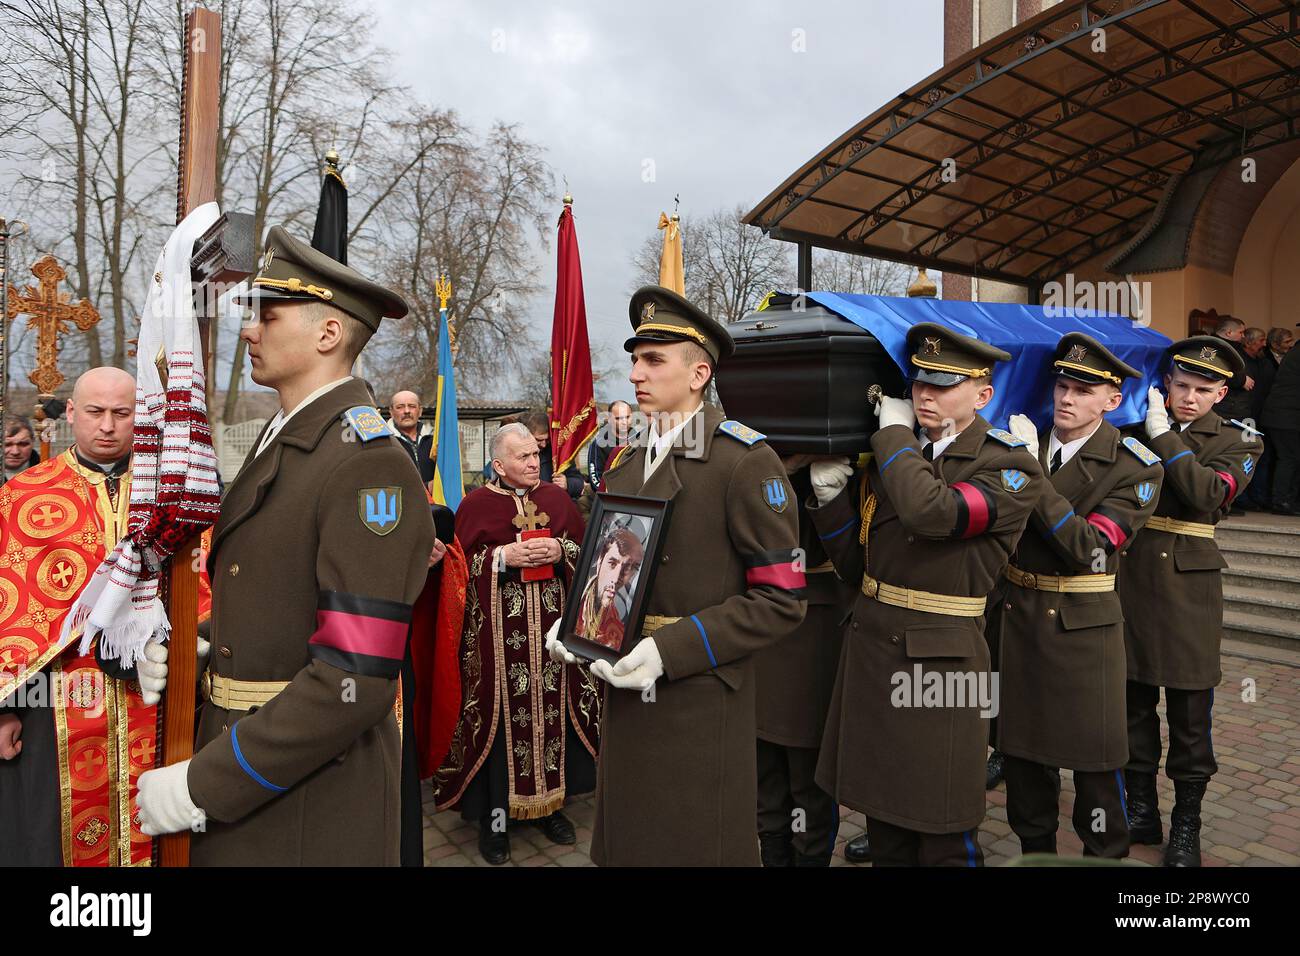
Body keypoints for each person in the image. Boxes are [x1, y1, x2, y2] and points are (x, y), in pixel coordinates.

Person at [131, 224, 435, 865]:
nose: (248, 329)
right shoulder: (289, 437)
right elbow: (272, 586)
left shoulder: (366, 462)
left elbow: (355, 678)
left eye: (268, 315)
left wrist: (203, 785)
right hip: (257, 772)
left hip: (305, 803)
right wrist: (203, 641)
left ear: (328, 334)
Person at [548, 285, 806, 866]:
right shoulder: (628, 461)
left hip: (698, 697)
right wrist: (580, 621)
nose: (636, 373)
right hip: (624, 688)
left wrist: (671, 650)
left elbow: (783, 599)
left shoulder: (743, 461)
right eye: (635, 358)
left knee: (692, 846)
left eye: (653, 359)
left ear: (698, 373)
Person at [806, 323, 1044, 867]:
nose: (924, 395)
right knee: (884, 820)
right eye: (918, 384)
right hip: (873, 654)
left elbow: (933, 514)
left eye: (943, 384)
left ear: (984, 395)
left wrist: (889, 439)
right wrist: (831, 501)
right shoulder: (900, 459)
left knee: (942, 829)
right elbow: (857, 568)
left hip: (942, 665)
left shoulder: (1009, 466)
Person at [987, 334, 1163, 859]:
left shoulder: (1138, 467)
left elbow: (1090, 549)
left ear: (1112, 400)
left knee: (1094, 771)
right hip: (1017, 622)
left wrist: (1032, 475)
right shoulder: (1024, 444)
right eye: (1062, 385)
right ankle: (1036, 852)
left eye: (1083, 391)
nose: (1066, 398)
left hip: (1083, 632)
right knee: (1023, 766)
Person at [0, 367, 153, 866]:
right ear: (71, 414)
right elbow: (9, 608)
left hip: (153, 695)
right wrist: (6, 708)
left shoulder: (166, 496)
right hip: (52, 702)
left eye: (121, 414)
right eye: (94, 412)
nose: (107, 426)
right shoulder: (25, 494)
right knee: (47, 831)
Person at [1119, 336, 1263, 866]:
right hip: (1129, 579)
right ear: (1167, 383)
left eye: (1203, 389)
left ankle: (1186, 825)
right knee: (1132, 705)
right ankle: (1140, 810)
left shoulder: (1241, 441)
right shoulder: (1133, 430)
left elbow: (1207, 494)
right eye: (1181, 386)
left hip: (1187, 590)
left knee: (1188, 715)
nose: (1189, 398)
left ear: (1222, 393)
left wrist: (1164, 437)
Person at [430, 422, 598, 865]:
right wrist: (502, 557)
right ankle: (496, 821)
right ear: (498, 464)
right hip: (498, 643)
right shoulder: (476, 504)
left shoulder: (557, 498)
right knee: (500, 723)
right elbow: (457, 570)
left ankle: (550, 809)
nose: (533, 463)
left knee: (554, 717)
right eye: (523, 457)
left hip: (552, 638)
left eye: (535, 455)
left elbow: (589, 551)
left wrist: (563, 552)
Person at [754, 459, 854, 867]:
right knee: (767, 783)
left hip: (815, 628)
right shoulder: (753, 456)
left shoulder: (843, 459)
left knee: (808, 782)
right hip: (762, 621)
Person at [575, 524, 644, 650]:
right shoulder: (574, 608)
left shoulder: (619, 629)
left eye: (627, 568)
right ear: (600, 560)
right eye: (612, 563)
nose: (616, 578)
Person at [1261, 341, 1300, 516]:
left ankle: (1285, 500)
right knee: (1289, 458)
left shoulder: (1294, 352)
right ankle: (1282, 501)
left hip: (1282, 415)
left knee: (1288, 458)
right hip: (1286, 417)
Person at [522, 410, 586, 501]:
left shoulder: (560, 453)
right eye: (539, 440)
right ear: (528, 435)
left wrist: (568, 483)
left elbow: (579, 482)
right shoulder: (519, 455)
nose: (544, 444)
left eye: (547, 440)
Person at [389, 389, 435, 485]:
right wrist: (427, 487)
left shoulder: (434, 442)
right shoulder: (384, 443)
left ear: (420, 411)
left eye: (412, 406)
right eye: (400, 407)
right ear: (391, 412)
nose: (406, 411)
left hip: (433, 500)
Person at [588, 400, 634, 488]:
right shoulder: (599, 443)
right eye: (618, 418)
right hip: (608, 495)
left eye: (627, 417)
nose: (624, 422)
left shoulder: (638, 439)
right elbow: (596, 479)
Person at [2, 416, 39, 485]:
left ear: (33, 442)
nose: (15, 452)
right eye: (7, 444)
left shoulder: (51, 472)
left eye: (23, 444)